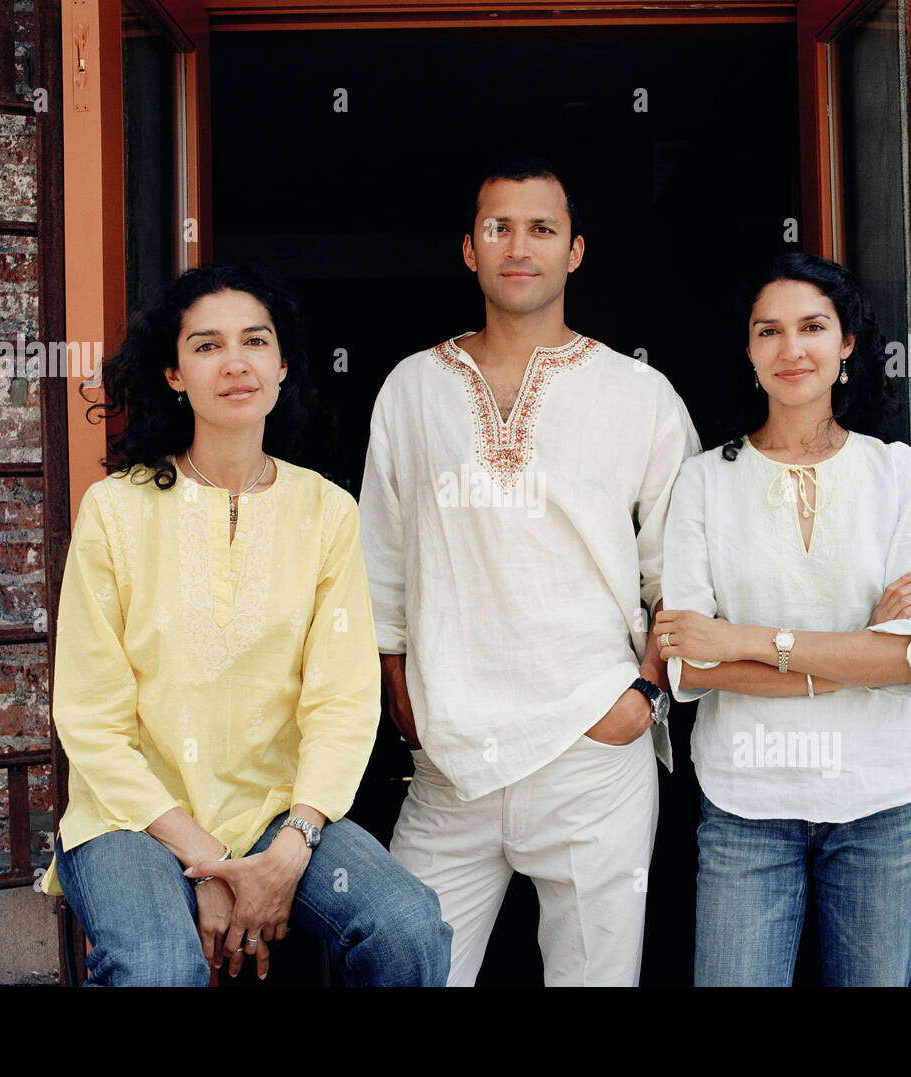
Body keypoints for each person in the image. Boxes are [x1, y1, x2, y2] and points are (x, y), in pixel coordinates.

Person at [40, 265, 451, 986]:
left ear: (282, 364)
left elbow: (343, 703)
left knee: (406, 925)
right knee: (160, 968)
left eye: (255, 341)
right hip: (132, 817)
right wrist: (206, 862)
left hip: (274, 814)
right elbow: (90, 718)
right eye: (206, 346)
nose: (235, 363)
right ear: (173, 372)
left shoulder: (327, 513)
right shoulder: (115, 510)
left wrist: (291, 848)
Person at [359, 156, 700, 986]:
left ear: (575, 251)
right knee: (410, 966)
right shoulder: (412, 388)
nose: (520, 245)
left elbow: (684, 567)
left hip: (591, 749)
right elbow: (381, 556)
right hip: (451, 761)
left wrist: (644, 696)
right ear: (469, 250)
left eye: (541, 228)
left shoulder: (639, 392)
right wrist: (397, 682)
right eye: (497, 227)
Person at [656, 252, 911, 986]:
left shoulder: (897, 472)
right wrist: (853, 651)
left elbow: (909, 660)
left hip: (881, 800)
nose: (792, 349)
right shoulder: (703, 481)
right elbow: (690, 663)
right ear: (749, 349)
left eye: (813, 326)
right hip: (746, 802)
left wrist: (747, 641)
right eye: (769, 331)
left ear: (847, 341)